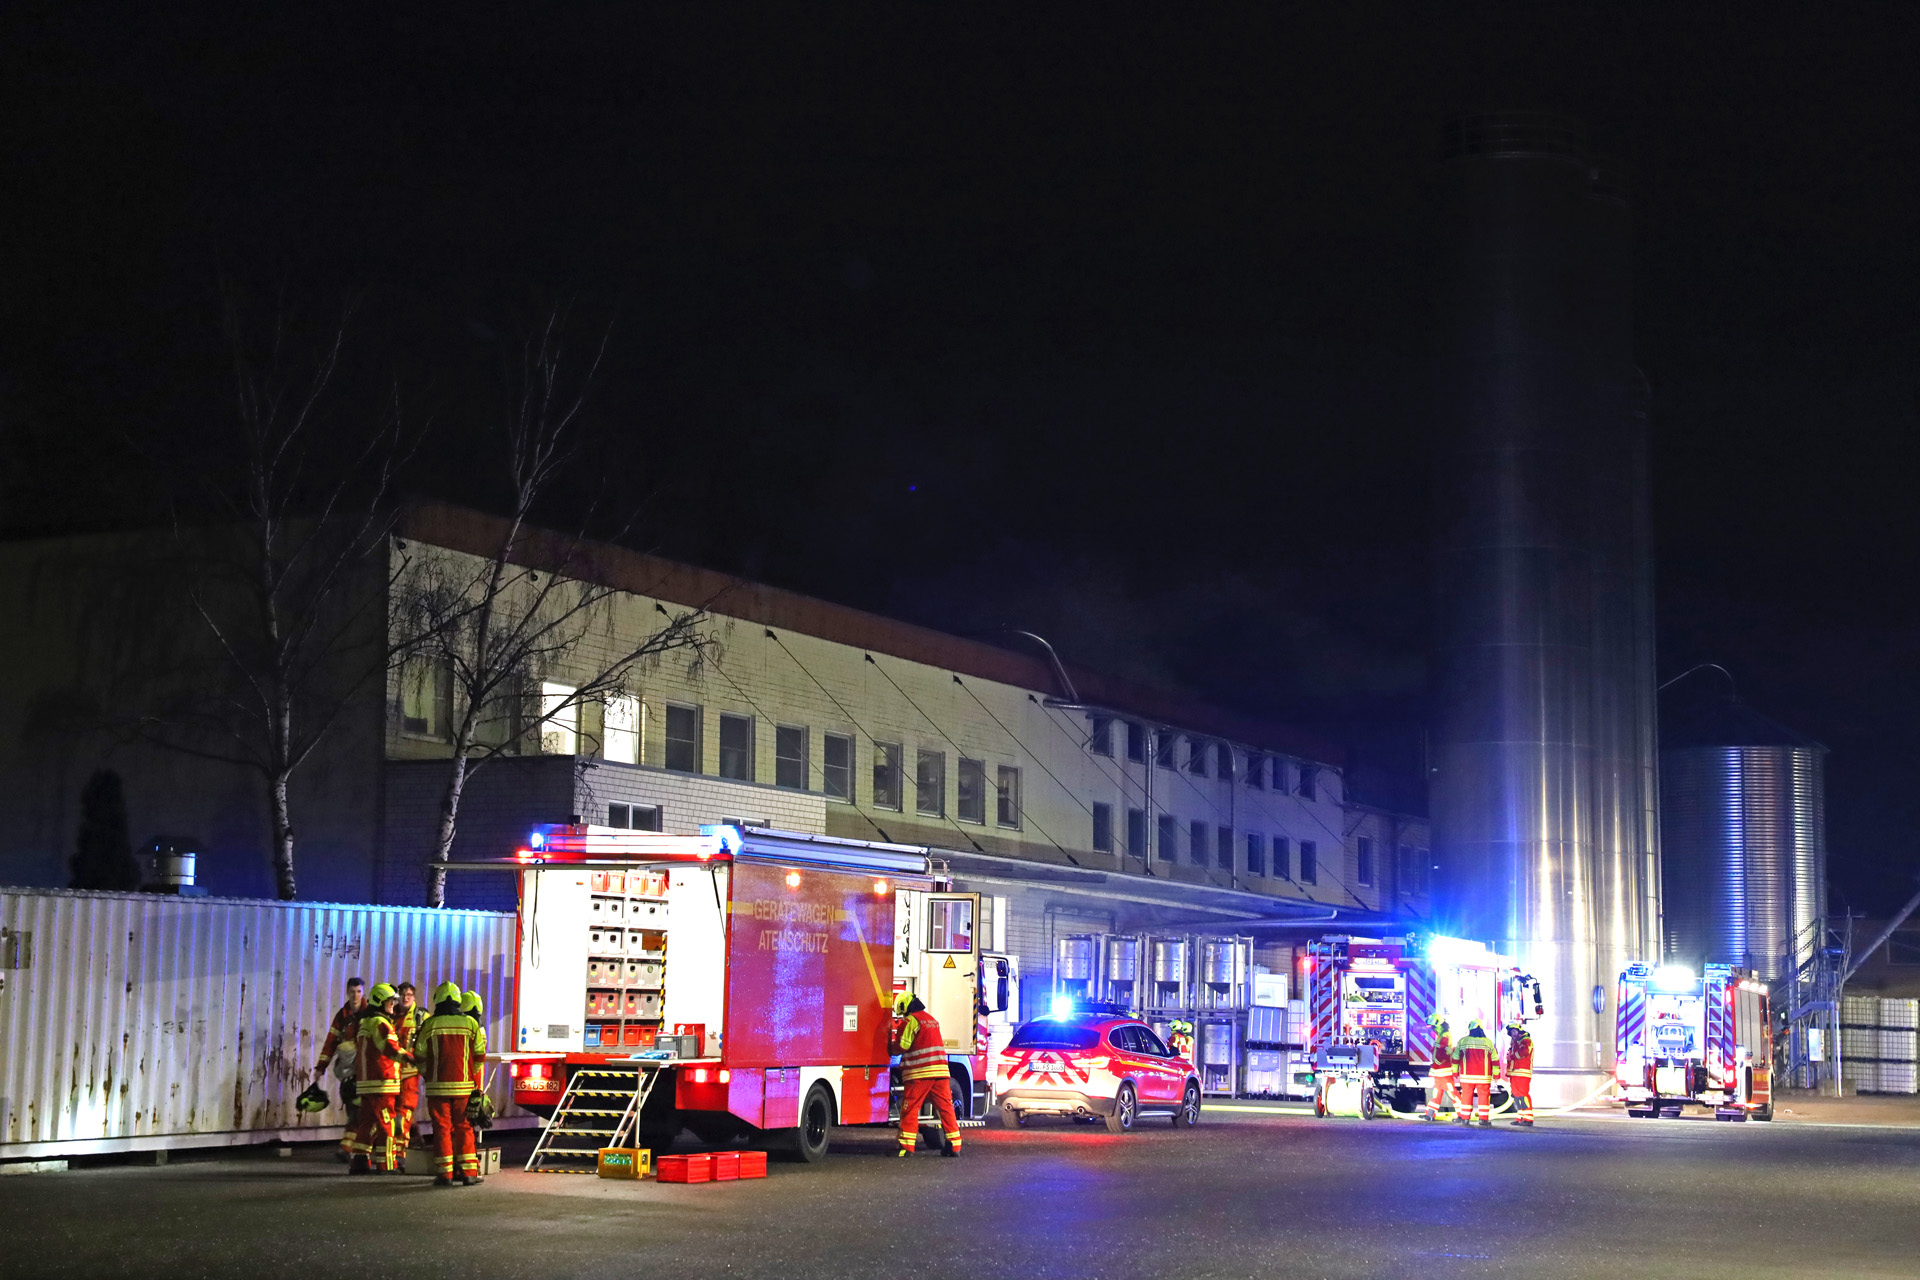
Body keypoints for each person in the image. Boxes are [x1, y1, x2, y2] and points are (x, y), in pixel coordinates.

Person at [414, 981, 484, 1186]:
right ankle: (470, 1173)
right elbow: (479, 1054)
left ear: (437, 999)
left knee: (442, 1129)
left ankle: (445, 1174)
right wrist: (471, 1075)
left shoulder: (429, 1024)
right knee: (464, 1128)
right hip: (463, 1087)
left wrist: (428, 1075)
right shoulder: (470, 1023)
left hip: (437, 1088)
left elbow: (419, 1055)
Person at [349, 983, 411, 1174]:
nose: (393, 1004)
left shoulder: (366, 1021)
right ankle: (386, 1164)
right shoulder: (380, 1023)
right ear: (379, 1001)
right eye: (390, 1001)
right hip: (381, 1083)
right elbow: (391, 1049)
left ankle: (359, 1161)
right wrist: (412, 1058)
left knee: (367, 1124)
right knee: (387, 1123)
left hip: (367, 1084)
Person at [890, 992, 961, 1158]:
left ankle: (906, 1148)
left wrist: (889, 1044)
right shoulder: (931, 1020)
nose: (902, 1015)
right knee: (946, 1108)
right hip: (941, 1072)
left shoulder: (910, 1021)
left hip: (920, 1073)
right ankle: (954, 1146)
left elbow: (902, 1046)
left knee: (910, 1109)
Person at [313, 977, 366, 1161]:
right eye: (352, 991)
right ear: (347, 992)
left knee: (362, 1110)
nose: (356, 995)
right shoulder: (342, 1015)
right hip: (350, 1070)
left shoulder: (370, 1012)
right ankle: (350, 1148)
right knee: (354, 1107)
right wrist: (321, 1067)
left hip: (368, 1070)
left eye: (359, 991)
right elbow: (331, 1042)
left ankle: (350, 1148)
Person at [393, 982, 423, 1154]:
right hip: (391, 1073)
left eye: (409, 995)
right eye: (403, 995)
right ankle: (415, 1136)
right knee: (393, 1112)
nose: (406, 998)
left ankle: (400, 1151)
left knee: (404, 1111)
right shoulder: (391, 1015)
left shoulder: (420, 1016)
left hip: (410, 1072)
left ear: (414, 997)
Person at [1454, 1019, 1498, 1128]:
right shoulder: (1488, 1042)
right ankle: (1483, 1120)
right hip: (1483, 1076)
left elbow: (1455, 1057)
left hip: (1467, 1076)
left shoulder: (1463, 1041)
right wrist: (1496, 1074)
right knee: (1483, 1097)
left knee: (1466, 1096)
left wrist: (1455, 1071)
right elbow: (1495, 1059)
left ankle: (1465, 1119)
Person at [1423, 1015, 1457, 1122]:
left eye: (1433, 1027)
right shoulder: (1442, 1035)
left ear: (1439, 1025)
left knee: (1452, 1093)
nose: (1433, 1030)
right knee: (1436, 1093)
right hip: (1439, 1071)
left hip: (1444, 1071)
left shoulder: (1445, 1036)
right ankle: (1430, 1114)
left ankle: (1462, 1114)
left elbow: (1442, 1053)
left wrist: (1437, 1062)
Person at [1505, 1023, 1535, 1127]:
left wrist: (1512, 1056)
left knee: (1523, 1095)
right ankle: (1520, 1117)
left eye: (1514, 1031)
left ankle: (1528, 1118)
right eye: (1511, 1032)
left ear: (1519, 1031)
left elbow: (1524, 1052)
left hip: (1522, 1072)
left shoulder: (1525, 1040)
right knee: (1517, 1096)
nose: (1513, 1034)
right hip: (1515, 1073)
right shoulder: (1515, 1043)